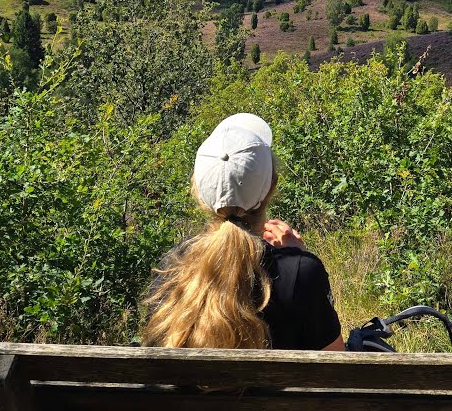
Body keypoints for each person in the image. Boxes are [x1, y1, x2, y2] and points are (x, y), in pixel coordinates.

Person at [141, 113, 345, 350]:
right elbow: (337, 366)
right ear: (271, 186)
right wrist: (297, 263)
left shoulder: (173, 267)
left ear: (198, 192)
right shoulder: (302, 273)